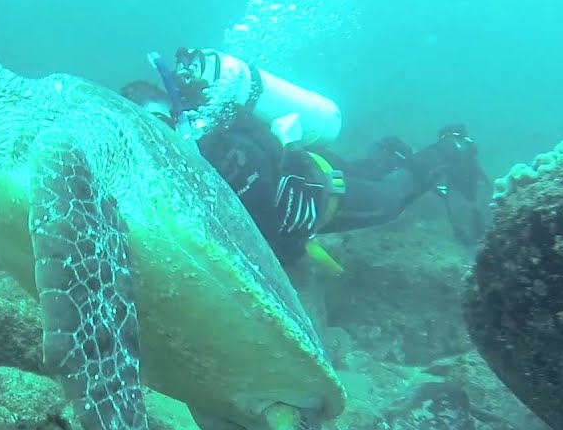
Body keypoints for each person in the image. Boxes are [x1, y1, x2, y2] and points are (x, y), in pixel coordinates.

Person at [121, 48, 490, 273]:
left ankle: (453, 148)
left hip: (324, 196)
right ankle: (388, 152)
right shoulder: (185, 151)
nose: (161, 140)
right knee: (362, 169)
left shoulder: (216, 148)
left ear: (175, 111)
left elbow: (270, 229)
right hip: (311, 161)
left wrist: (290, 246)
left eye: (161, 124)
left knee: (392, 200)